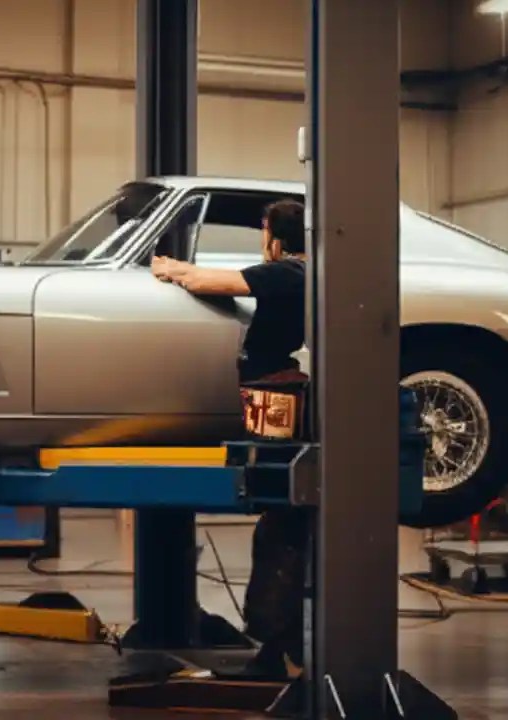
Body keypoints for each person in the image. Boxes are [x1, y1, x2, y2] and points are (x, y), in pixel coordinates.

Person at [150, 197, 311, 678]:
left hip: (275, 395)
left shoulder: (288, 273)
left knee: (280, 521)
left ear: (273, 236)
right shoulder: (301, 274)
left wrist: (169, 267)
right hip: (277, 393)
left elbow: (209, 281)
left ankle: (282, 650)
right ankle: (282, 650)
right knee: (280, 521)